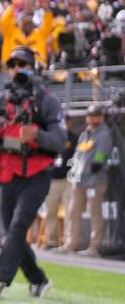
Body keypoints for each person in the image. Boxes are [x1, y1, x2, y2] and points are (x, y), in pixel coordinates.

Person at [0, 46, 66, 299]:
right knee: (14, 234)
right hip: (7, 174)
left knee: (17, 228)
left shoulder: (47, 101)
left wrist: (37, 135)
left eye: (22, 64)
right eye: (13, 65)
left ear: (33, 68)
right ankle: (39, 280)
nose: (17, 69)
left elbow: (60, 139)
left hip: (37, 174)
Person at [67, 103, 115, 256]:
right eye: (90, 115)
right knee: (73, 211)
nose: (92, 118)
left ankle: (94, 247)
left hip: (95, 180)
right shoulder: (85, 133)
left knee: (95, 213)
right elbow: (77, 154)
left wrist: (98, 163)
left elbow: (103, 152)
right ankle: (71, 243)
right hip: (79, 179)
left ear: (101, 117)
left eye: (95, 115)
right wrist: (74, 172)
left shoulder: (104, 133)